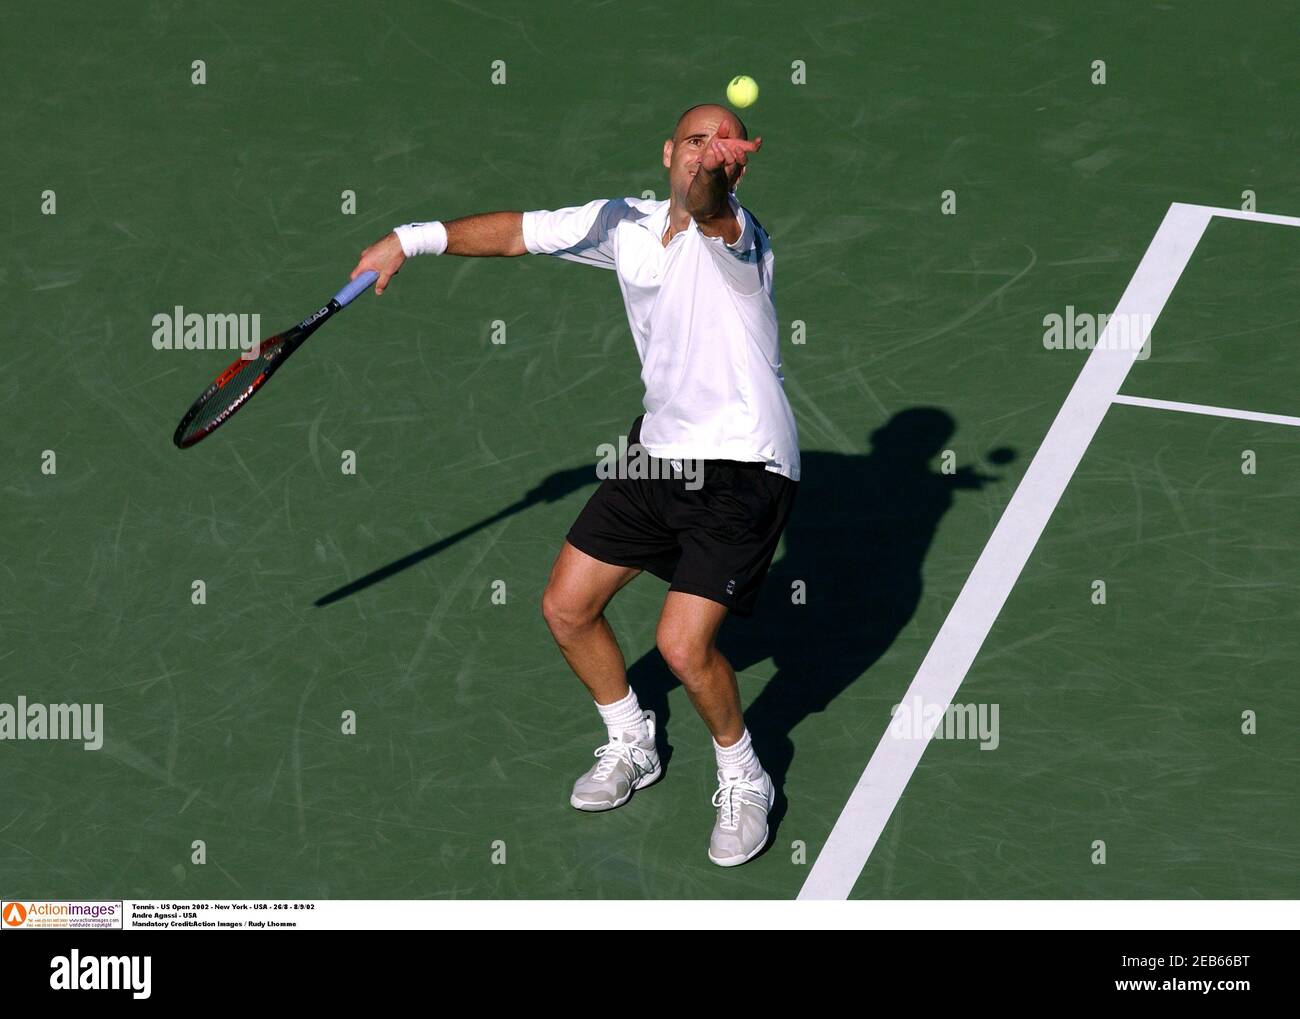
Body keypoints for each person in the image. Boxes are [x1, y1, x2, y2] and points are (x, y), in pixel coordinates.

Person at [350, 103, 800, 866]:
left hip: (745, 466)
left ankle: (744, 774)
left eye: (721, 147)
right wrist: (410, 239)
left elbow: (707, 212)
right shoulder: (623, 225)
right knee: (566, 606)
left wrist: (717, 183)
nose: (705, 154)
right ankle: (633, 740)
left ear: (736, 166)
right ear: (665, 151)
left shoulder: (736, 236)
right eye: (695, 141)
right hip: (659, 453)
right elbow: (521, 232)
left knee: (682, 647)